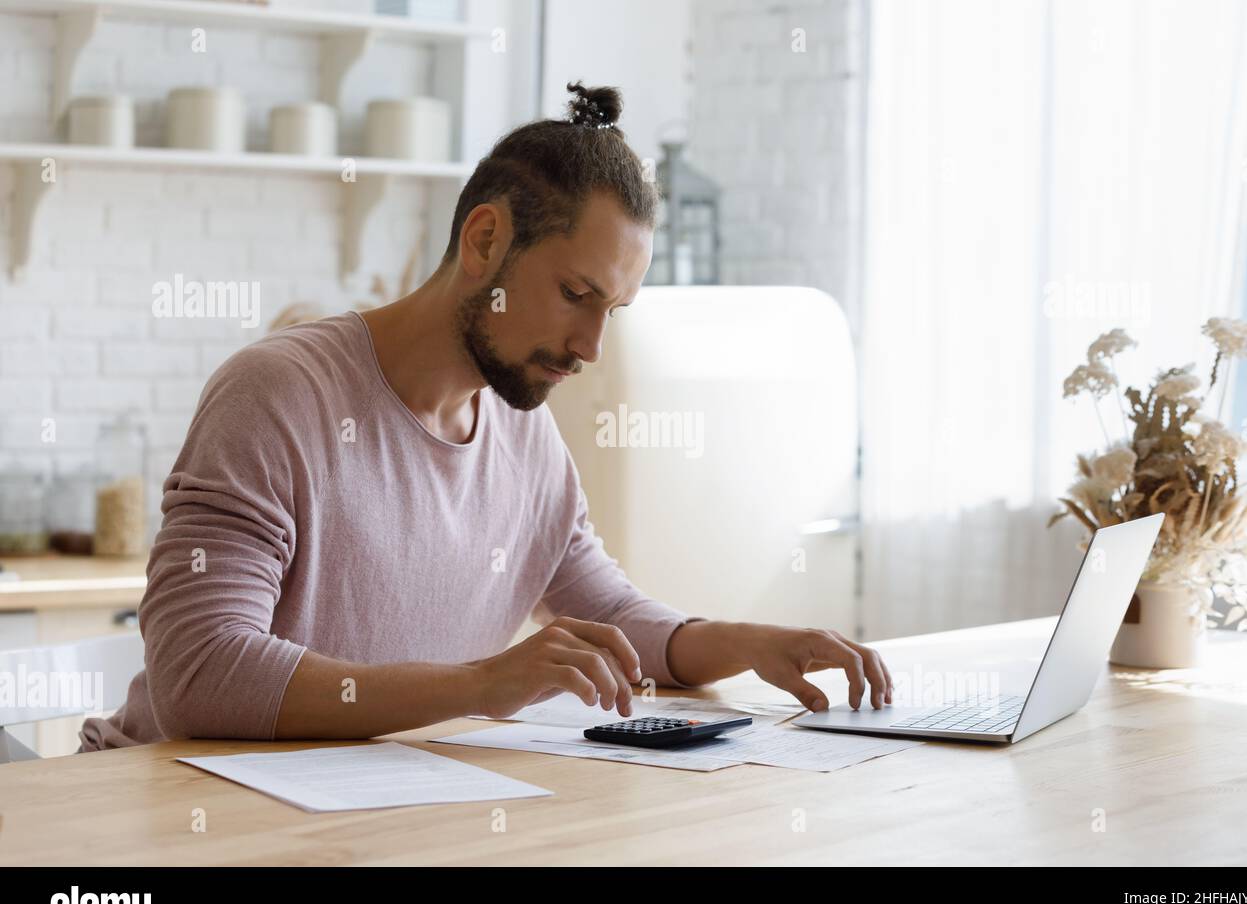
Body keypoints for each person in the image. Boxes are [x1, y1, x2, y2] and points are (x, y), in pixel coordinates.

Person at [79, 82, 892, 751]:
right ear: (484, 239)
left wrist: (741, 643)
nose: (590, 346)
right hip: (177, 816)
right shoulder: (278, 396)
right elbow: (199, 675)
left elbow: (604, 616)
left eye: (613, 309)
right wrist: (482, 683)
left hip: (366, 816)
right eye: (576, 295)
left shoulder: (523, 429)